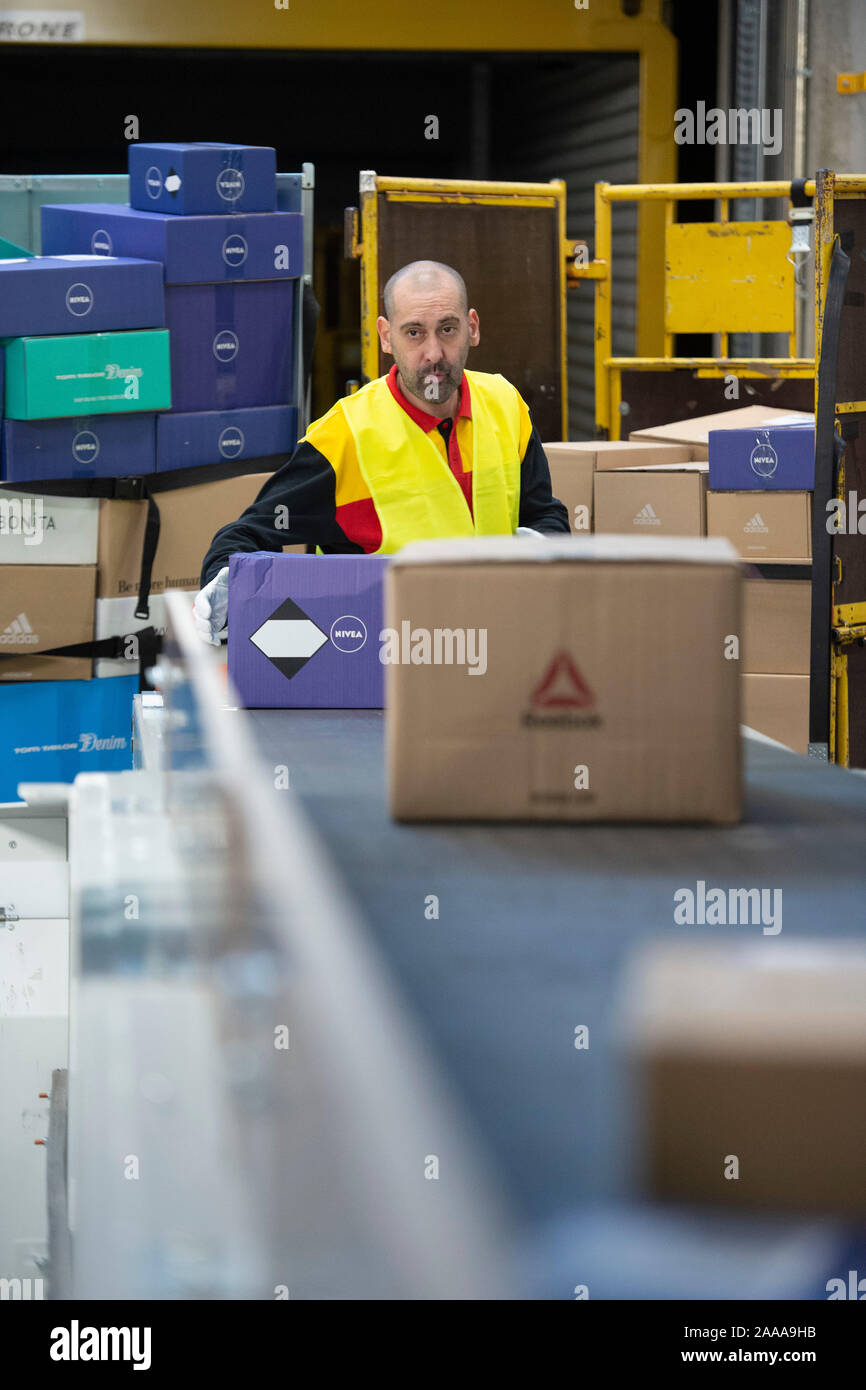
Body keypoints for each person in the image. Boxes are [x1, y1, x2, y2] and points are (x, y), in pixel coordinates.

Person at [193, 259, 569, 644]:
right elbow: (250, 534)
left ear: (472, 328)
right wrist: (223, 583)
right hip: (383, 660)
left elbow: (542, 512)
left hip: (496, 645)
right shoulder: (343, 438)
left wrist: (544, 548)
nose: (434, 352)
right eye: (414, 333)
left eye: (448, 329)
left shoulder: (506, 407)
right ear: (386, 337)